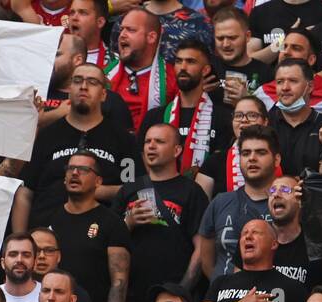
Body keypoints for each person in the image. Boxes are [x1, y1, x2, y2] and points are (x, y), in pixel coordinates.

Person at [114, 123, 210, 302]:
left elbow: (202, 248)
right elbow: (111, 245)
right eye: (147, 141)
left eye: (159, 141)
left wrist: (181, 292)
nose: (151, 146)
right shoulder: (128, 190)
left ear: (177, 150)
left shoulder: (191, 191)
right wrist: (128, 223)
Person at [16, 64, 138, 231]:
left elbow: (133, 188)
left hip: (99, 235)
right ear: (69, 89)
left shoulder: (123, 140)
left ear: (103, 94)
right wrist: (21, 240)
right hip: (45, 238)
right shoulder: (46, 136)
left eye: (92, 82)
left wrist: (99, 191)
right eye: (77, 80)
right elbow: (25, 192)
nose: (84, 86)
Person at [41, 151, 132, 302]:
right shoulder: (50, 218)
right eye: (70, 169)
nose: (75, 173)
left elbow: (120, 282)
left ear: (98, 181)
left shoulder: (111, 222)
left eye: (83, 169)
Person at [138, 40, 234, 177]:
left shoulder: (223, 117)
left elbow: (221, 163)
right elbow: (144, 159)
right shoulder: (154, 117)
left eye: (191, 61)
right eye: (178, 61)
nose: (183, 67)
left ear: (205, 70)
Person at [198, 125, 280, 276]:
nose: (252, 158)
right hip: (225, 297)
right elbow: (206, 262)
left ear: (276, 159)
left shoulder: (289, 205)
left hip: (272, 295)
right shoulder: (220, 202)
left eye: (261, 152)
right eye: (246, 153)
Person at [106, 9, 180, 133]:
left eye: (131, 30)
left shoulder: (173, 79)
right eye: (121, 29)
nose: (122, 35)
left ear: (151, 37)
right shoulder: (104, 75)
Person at [196, 95, 279, 197]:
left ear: (265, 121)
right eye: (238, 115)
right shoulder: (214, 162)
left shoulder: (278, 156)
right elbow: (202, 207)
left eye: (252, 115)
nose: (244, 120)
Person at [265, 59, 322, 174]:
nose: (285, 87)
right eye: (280, 81)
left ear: (310, 86)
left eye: (293, 81)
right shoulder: (265, 124)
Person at [212, 7, 274, 100]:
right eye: (220, 38)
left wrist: (247, 99)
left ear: (247, 36)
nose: (226, 44)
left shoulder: (266, 73)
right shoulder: (207, 69)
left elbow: (274, 111)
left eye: (232, 38)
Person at [0, 234, 44, 302]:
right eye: (13, 254)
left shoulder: (49, 295)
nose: (19, 259)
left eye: (26, 255)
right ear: (2, 263)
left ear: (35, 262)